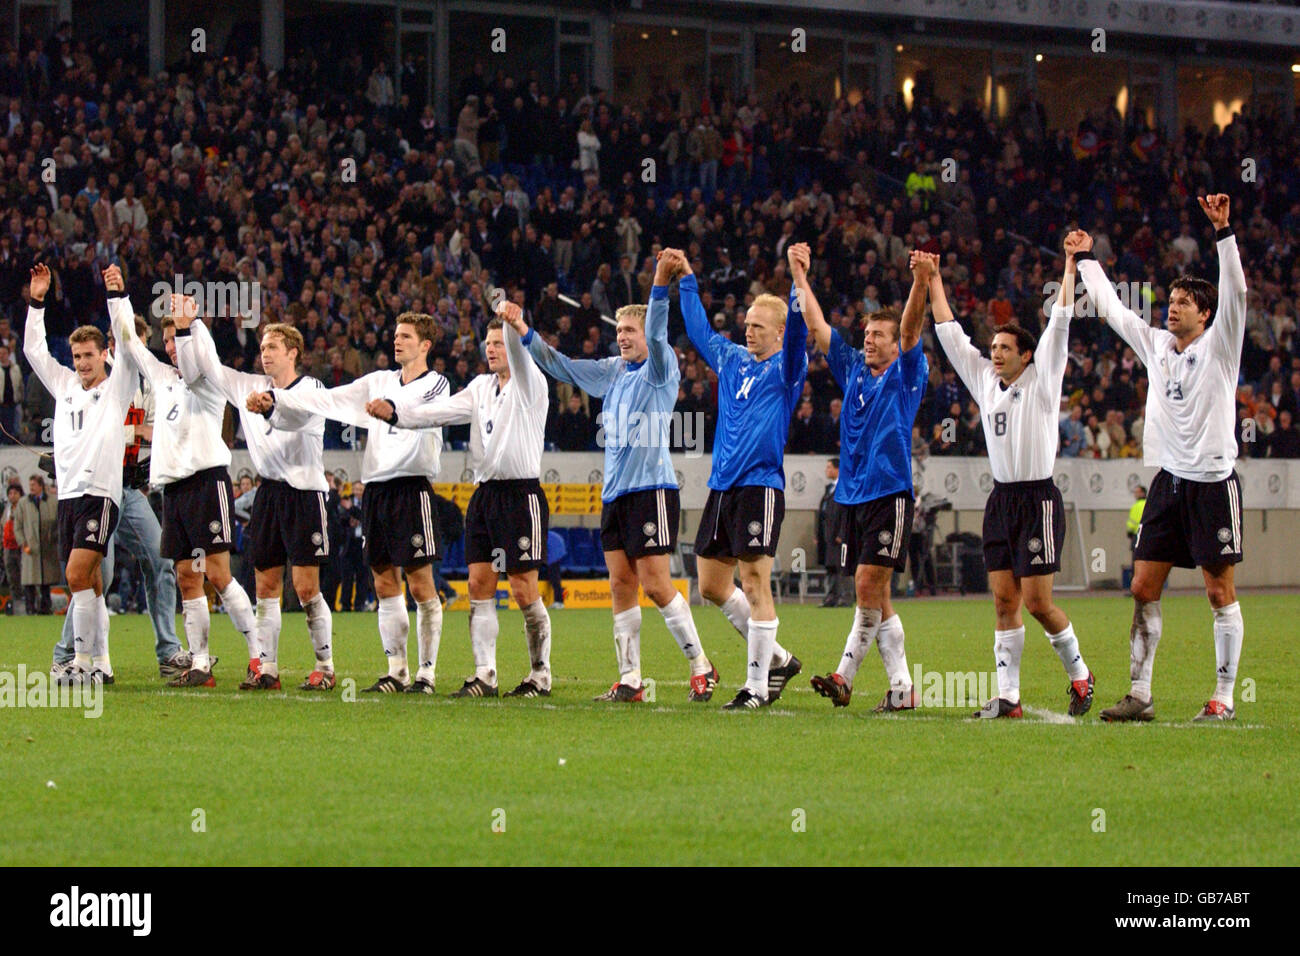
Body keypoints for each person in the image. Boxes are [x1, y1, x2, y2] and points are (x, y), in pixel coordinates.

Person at [509, 251, 719, 703]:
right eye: (619, 330)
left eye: (630, 331)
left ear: (647, 335)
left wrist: (660, 284)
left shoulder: (662, 370)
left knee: (657, 585)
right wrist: (525, 331)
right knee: (621, 585)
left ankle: (702, 666)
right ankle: (630, 680)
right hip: (616, 494)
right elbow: (562, 365)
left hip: (652, 491)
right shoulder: (613, 373)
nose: (622, 337)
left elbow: (660, 328)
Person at [1073, 193, 1247, 722]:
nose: (1171, 307)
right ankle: (1141, 694)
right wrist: (1085, 260)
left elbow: (1236, 290)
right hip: (1169, 484)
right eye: (1169, 300)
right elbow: (1111, 309)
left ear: (1206, 314)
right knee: (1143, 586)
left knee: (1219, 591)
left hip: (1213, 482)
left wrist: (1223, 233)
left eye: (1183, 303)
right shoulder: (1156, 345)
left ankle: (1223, 698)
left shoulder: (1220, 346)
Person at [925, 244, 1094, 718]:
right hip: (1001, 501)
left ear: (1025, 355)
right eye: (993, 348)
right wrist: (935, 279)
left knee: (1038, 603)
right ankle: (1009, 698)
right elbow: (950, 333)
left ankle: (1080, 674)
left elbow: (1059, 319)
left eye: (1004, 349)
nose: (995, 354)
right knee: (1003, 601)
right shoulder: (984, 381)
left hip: (1038, 498)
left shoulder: (1043, 380)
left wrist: (1068, 265)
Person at [254, 312, 451, 695]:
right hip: (376, 490)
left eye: (406, 337)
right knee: (383, 580)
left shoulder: (436, 383)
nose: (397, 342)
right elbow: (330, 398)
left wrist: (392, 411)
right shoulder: (378, 380)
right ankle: (396, 671)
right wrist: (276, 400)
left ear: (425, 345)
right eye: (396, 335)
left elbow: (425, 411)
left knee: (421, 582)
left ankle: (426, 673)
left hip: (411, 488)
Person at [369, 303, 553, 700]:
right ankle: (485, 674)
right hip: (485, 495)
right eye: (487, 344)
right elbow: (439, 413)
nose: (491, 350)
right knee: (478, 584)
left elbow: (523, 351)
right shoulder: (480, 388)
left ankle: (540, 674)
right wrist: (396, 414)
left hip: (521, 495)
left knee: (522, 588)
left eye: (499, 344)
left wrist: (516, 323)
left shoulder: (531, 381)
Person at [87, 296, 261, 688]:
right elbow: (130, 343)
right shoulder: (164, 379)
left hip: (207, 482)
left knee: (217, 574)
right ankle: (200, 663)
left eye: (175, 340)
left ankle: (259, 659)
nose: (169, 348)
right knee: (187, 578)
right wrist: (116, 297)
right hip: (175, 491)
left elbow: (199, 349)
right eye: (165, 341)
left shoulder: (209, 379)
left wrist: (187, 326)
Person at [176, 301, 335, 691]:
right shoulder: (248, 385)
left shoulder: (312, 387)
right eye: (262, 347)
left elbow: (298, 416)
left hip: (304, 494)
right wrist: (192, 325)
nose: (264, 354)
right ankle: (267, 668)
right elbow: (212, 367)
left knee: (305, 588)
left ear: (293, 352)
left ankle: (325, 667)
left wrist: (269, 407)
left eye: (273, 348)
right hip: (269, 495)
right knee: (266, 587)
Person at [679, 243, 809, 708]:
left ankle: (755, 686)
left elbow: (800, 336)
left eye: (758, 325)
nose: (748, 330)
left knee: (754, 582)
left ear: (778, 332)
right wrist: (688, 277)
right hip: (722, 487)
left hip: (760, 486)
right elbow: (696, 329)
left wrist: (797, 280)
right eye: (747, 323)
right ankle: (779, 659)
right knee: (712, 586)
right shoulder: (732, 360)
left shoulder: (788, 368)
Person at [803, 251, 930, 712]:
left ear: (896, 344)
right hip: (851, 496)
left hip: (889, 493)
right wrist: (800, 274)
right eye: (867, 334)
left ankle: (844, 675)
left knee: (865, 584)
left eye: (879, 335)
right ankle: (902, 691)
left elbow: (913, 327)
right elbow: (818, 330)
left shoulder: (907, 373)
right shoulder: (855, 369)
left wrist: (919, 281)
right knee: (877, 594)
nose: (870, 340)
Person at [52, 314, 193, 681]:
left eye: (139, 340)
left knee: (160, 559)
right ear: (111, 343)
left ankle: (167, 650)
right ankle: (68, 654)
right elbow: (110, 428)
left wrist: (150, 439)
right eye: (123, 339)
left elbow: (168, 431)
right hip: (98, 486)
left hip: (130, 487)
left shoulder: (159, 381)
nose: (132, 346)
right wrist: (139, 431)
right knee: (96, 572)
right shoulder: (106, 377)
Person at [24, 263, 137, 684]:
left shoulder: (118, 385)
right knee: (88, 582)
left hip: (100, 491)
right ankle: (101, 664)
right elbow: (34, 351)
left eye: (89, 355)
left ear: (103, 354)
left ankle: (83, 663)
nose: (82, 363)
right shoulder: (66, 385)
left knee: (76, 576)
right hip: (68, 494)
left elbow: (127, 342)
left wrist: (117, 295)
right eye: (76, 356)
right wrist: (37, 301)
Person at [13, 473, 58, 615]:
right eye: (30, 485)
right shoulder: (23, 503)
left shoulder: (52, 501)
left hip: (47, 548)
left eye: (34, 485)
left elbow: (57, 523)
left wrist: (54, 538)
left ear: (40, 486)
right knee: (29, 581)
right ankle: (30, 608)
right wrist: (22, 543)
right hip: (30, 548)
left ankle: (45, 608)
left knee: (46, 581)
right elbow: (18, 526)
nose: (31, 487)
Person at [817, 459, 850, 607]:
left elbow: (847, 513)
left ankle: (846, 597)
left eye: (829, 467)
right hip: (828, 535)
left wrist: (842, 534)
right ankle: (831, 597)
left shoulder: (844, 488)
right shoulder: (829, 489)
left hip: (839, 536)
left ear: (837, 469)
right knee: (830, 566)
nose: (826, 469)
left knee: (842, 567)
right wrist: (818, 534)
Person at [3, 483, 22, 612]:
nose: (12, 496)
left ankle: (28, 604)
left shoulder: (23, 507)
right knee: (12, 576)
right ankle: (15, 604)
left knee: (23, 576)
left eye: (15, 493)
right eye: (10, 493)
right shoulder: (6, 509)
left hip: (20, 546)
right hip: (7, 547)